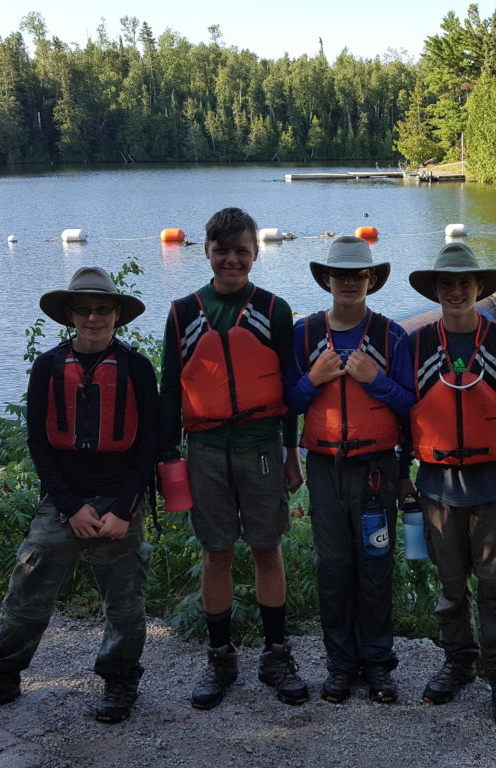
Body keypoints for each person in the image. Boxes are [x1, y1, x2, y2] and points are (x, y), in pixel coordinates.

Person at [0, 266, 159, 724]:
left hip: (120, 503)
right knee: (26, 590)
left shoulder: (138, 369)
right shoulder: (47, 367)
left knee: (125, 603)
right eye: (83, 309)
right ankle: (0, 676)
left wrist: (124, 509)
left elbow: (149, 447)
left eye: (102, 309)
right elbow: (39, 444)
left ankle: (120, 681)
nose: (93, 318)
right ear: (69, 315)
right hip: (63, 502)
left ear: (117, 314)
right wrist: (69, 507)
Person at [159, 207, 306, 709]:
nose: (231, 260)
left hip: (262, 448)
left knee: (268, 550)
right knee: (215, 553)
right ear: (206, 252)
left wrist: (292, 453)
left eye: (241, 251)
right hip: (204, 452)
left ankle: (276, 653)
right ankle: (220, 656)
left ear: (255, 254)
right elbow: (168, 394)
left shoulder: (275, 310)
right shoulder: (183, 313)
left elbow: (287, 390)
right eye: (221, 250)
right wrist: (166, 460)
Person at [406, 242, 496, 727]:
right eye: (447, 283)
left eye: (465, 282)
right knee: (449, 590)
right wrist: (404, 479)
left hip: (492, 492)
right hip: (437, 492)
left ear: (479, 287)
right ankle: (458, 663)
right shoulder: (417, 344)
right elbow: (407, 416)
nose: (456, 290)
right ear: (437, 290)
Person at [284, 236, 415, 704]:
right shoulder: (304, 334)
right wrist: (312, 379)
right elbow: (289, 404)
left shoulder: (391, 336)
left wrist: (375, 381)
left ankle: (378, 664)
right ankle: (341, 665)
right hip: (324, 468)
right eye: (339, 274)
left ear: (371, 280)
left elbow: (410, 408)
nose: (348, 282)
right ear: (326, 279)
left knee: (375, 566)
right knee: (334, 568)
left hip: (378, 467)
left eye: (357, 275)